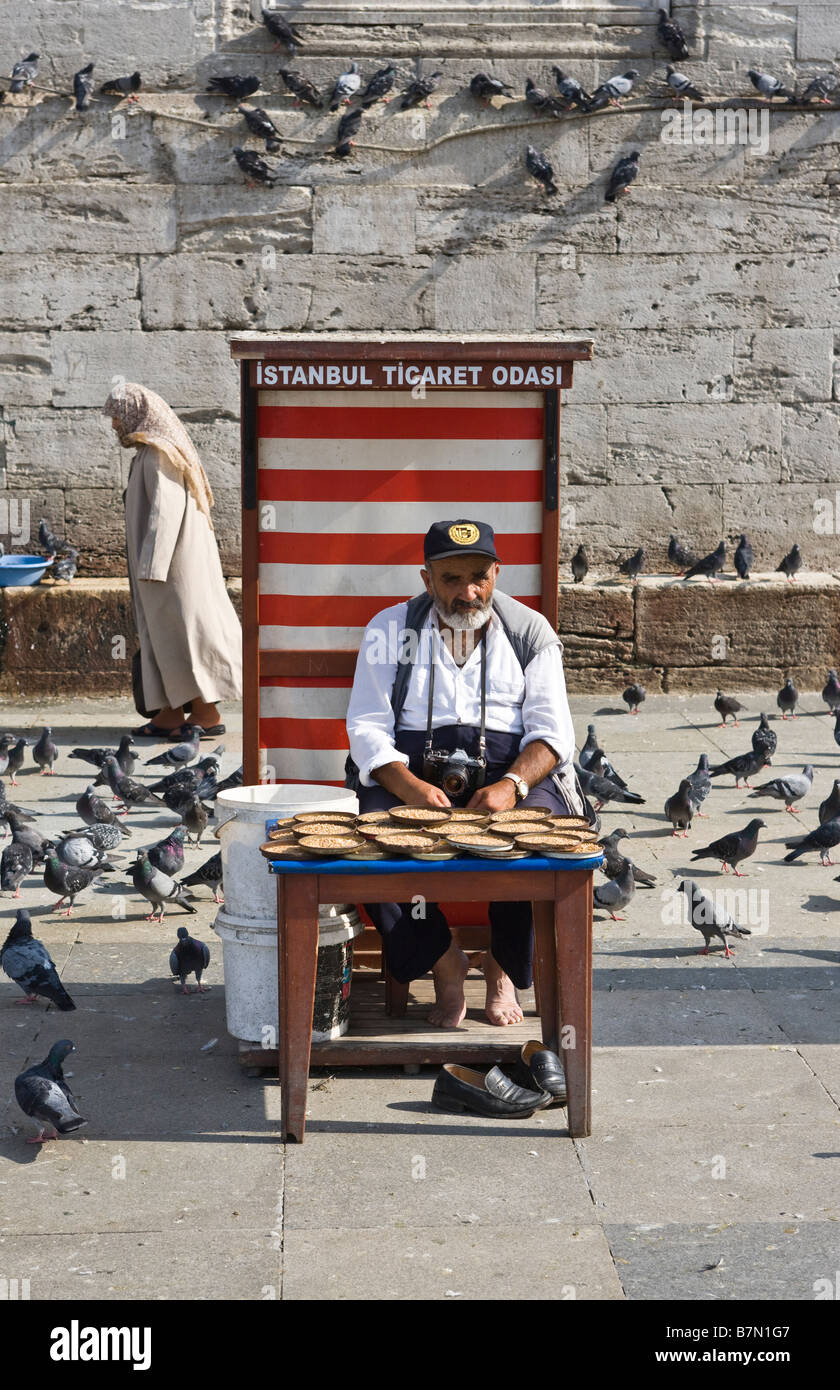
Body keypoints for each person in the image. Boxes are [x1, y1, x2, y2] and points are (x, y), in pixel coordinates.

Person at [346, 518, 582, 1028]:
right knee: (368, 848)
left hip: (510, 770)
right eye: (451, 580)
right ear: (427, 579)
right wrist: (408, 788)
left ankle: (502, 968)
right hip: (409, 772)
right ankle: (443, 961)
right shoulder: (391, 630)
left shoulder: (530, 632)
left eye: (480, 576)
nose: (468, 593)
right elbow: (366, 727)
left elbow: (553, 734)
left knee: (535, 845)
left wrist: (512, 785)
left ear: (498, 572)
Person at [103, 382, 242, 738]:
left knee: (184, 639)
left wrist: (152, 564)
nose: (115, 425)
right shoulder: (149, 453)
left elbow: (165, 512)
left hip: (170, 570)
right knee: (164, 640)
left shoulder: (160, 454)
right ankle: (169, 714)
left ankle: (205, 715)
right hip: (163, 571)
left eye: (117, 416)